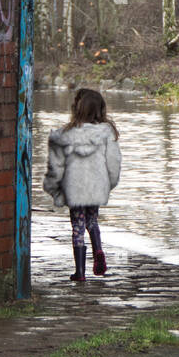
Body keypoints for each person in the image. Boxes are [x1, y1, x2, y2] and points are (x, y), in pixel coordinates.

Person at [42, 88, 122, 282]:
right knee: (92, 220)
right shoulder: (106, 134)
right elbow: (113, 162)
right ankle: (98, 251)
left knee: (77, 226)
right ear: (100, 110)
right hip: (96, 186)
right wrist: (109, 183)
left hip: (75, 187)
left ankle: (80, 272)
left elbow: (56, 165)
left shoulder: (66, 134)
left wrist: (53, 188)